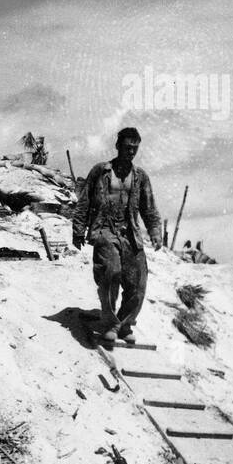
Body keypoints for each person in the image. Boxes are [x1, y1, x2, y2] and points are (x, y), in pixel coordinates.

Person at [71, 127, 164, 344]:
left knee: (138, 281)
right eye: (127, 147)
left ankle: (125, 323)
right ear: (118, 146)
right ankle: (110, 323)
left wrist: (155, 232)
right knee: (111, 271)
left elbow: (149, 207)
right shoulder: (100, 172)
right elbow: (84, 202)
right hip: (104, 229)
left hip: (130, 233)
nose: (131, 152)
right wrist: (78, 230)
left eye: (135, 148)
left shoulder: (140, 177)